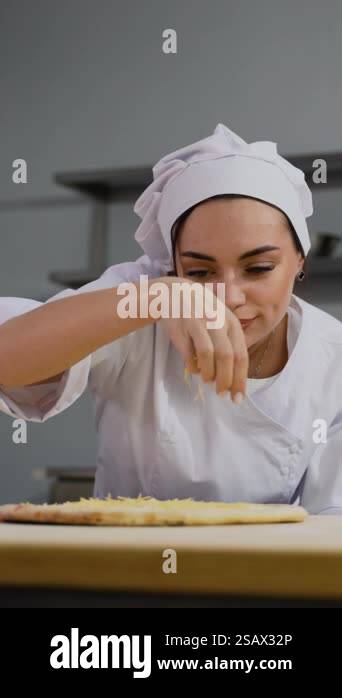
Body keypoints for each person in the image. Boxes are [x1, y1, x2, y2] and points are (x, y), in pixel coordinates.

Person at [0, 123, 341, 514]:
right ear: (172, 264)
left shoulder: (333, 359)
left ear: (300, 259)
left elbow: (333, 526)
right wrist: (154, 298)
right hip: (127, 568)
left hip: (268, 571)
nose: (227, 297)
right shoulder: (141, 302)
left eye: (259, 268)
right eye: (198, 273)